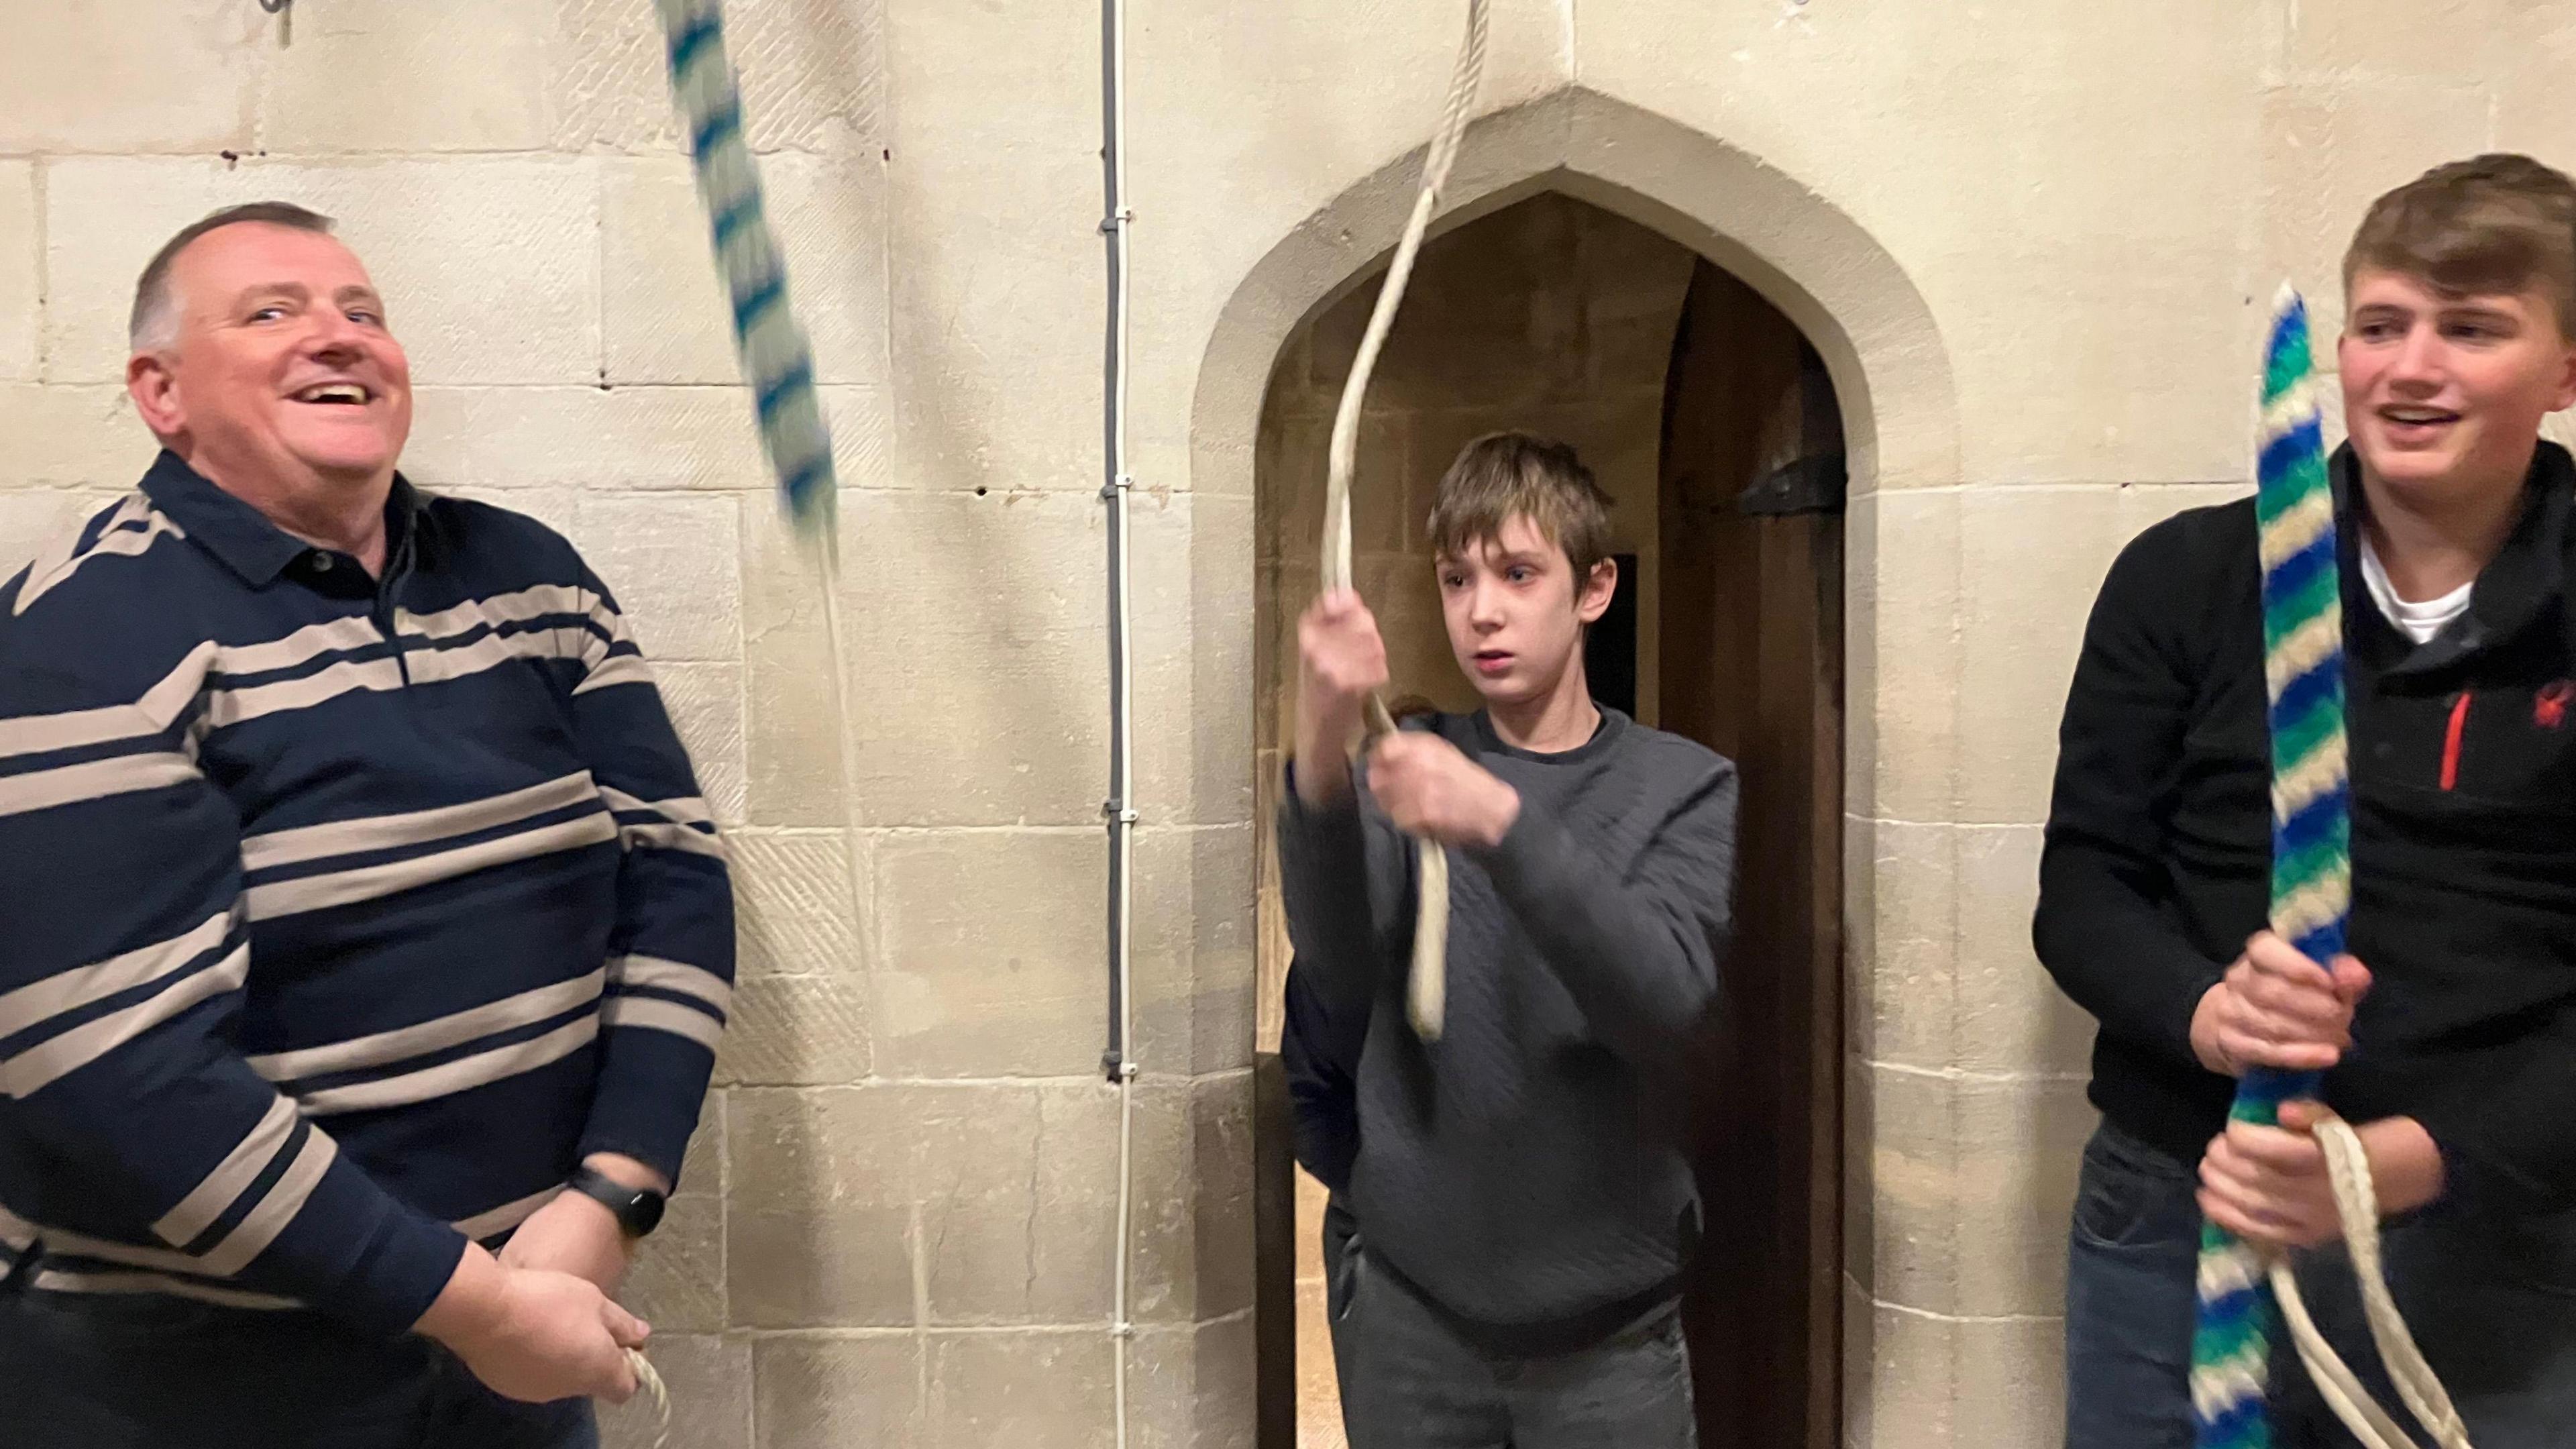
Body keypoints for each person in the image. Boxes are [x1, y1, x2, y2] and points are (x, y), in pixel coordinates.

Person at [0, 201, 735, 1448]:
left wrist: (608, 1202)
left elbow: (675, 877)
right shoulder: (78, 639)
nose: (337, 336)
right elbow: (111, 1069)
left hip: (523, 1337)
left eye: (364, 312)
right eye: (271, 312)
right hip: (190, 1383)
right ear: (161, 394)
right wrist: (476, 1307)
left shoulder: (530, 579)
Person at [2035, 154, 2576, 1447]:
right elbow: (2085, 890)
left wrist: (2414, 1163)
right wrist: (2209, 1012)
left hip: (2498, 1234)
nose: (2411, 368)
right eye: (2380, 326)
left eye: (2472, 330)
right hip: (2186, 1202)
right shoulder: (2187, 578)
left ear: (2565, 370)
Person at [1276, 432, 1735, 1448]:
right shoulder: (1411, 758)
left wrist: (1498, 822)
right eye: (1457, 579)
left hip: (1612, 1349)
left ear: (1594, 589)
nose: (1481, 610)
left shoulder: (1684, 786)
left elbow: (1662, 1004)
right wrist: (1320, 740)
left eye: (1518, 574)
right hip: (1414, 1330)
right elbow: (1334, 962)